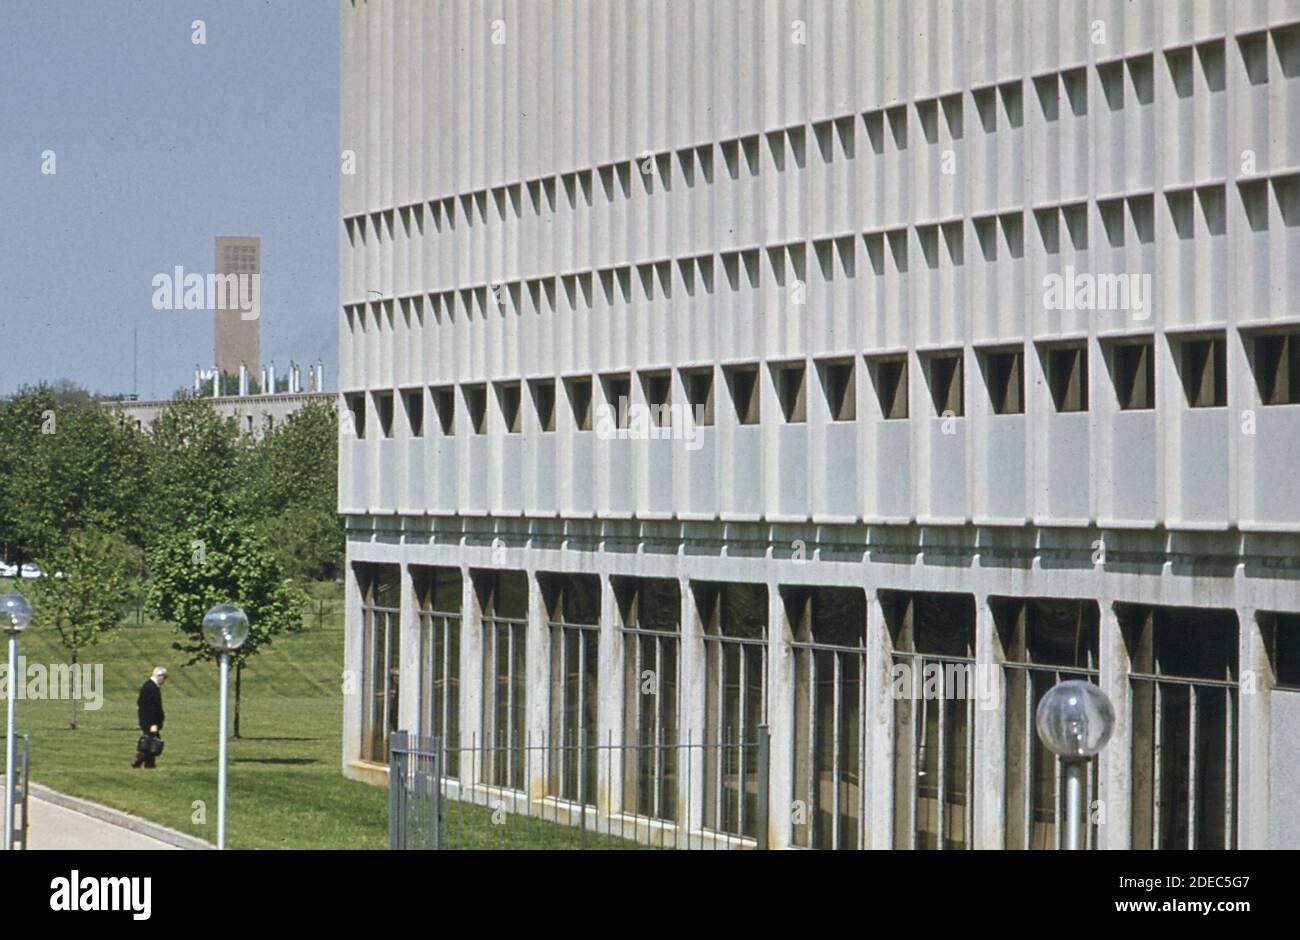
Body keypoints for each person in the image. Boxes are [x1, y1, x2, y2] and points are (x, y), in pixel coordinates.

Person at [132, 666, 167, 769]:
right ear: (160, 676)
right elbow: (152, 707)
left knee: (151, 743)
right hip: (150, 722)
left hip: (147, 721)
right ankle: (139, 762)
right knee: (151, 743)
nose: (164, 680)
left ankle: (149, 764)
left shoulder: (150, 686)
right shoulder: (151, 687)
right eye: (164, 677)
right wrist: (153, 723)